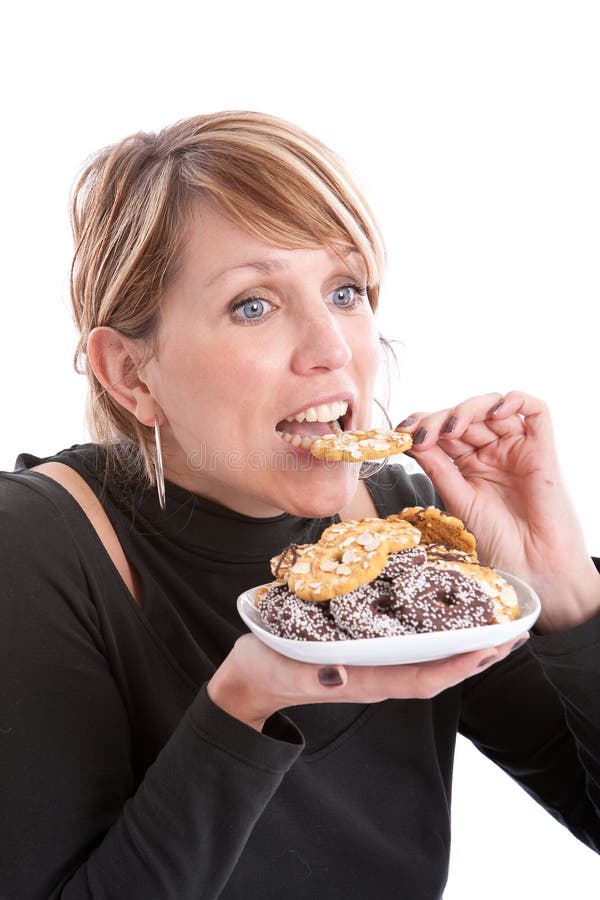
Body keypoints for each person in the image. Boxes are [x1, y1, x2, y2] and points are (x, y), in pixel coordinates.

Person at [1, 110, 599, 900]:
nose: (333, 351)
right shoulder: (35, 548)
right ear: (131, 375)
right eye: (254, 304)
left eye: (345, 290)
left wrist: (563, 595)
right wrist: (244, 703)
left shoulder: (404, 531)